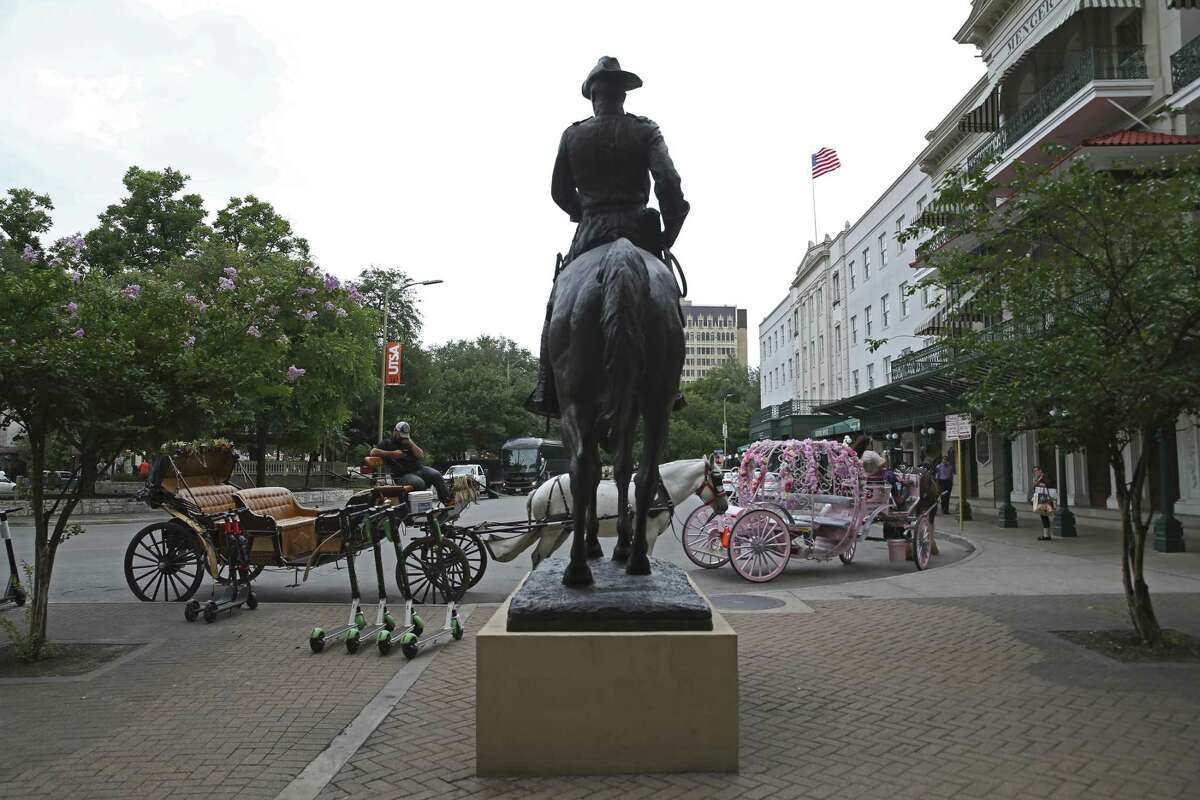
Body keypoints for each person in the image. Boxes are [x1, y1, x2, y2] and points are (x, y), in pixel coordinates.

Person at [525, 56, 690, 417]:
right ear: (623, 95)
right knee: (670, 302)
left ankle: (545, 384)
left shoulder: (573, 135)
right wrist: (669, 230)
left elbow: (559, 191)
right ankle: (670, 385)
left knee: (556, 302)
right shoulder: (645, 130)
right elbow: (669, 182)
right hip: (640, 233)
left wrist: (581, 211)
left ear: (593, 97)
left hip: (590, 234)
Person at [370, 421, 452, 505]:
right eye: (401, 435)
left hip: (419, 469)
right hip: (402, 475)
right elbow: (373, 452)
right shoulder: (387, 443)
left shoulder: (408, 442)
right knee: (419, 483)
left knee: (436, 474)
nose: (403, 438)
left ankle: (447, 501)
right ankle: (418, 507)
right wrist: (392, 453)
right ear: (395, 432)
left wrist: (410, 443)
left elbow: (420, 455)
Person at [1032, 466, 1056, 541]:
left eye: (1036, 471)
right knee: (1043, 516)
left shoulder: (1045, 476)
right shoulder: (1037, 478)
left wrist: (1039, 484)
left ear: (1040, 470)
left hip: (1046, 499)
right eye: (1034, 471)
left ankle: (1047, 536)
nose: (1035, 473)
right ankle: (1046, 535)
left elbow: (1049, 484)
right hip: (1040, 498)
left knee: (1044, 515)